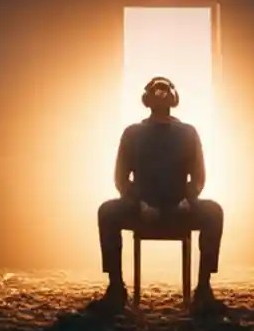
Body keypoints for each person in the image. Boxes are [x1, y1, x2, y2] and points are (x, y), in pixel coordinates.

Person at [96, 76, 224, 312]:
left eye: (165, 90)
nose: (160, 94)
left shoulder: (188, 133)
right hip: (141, 207)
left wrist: (189, 200)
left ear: (173, 98)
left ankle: (204, 288)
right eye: (156, 90)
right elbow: (121, 178)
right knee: (107, 212)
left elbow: (198, 176)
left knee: (214, 212)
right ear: (146, 98)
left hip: (180, 206)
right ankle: (115, 288)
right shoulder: (132, 133)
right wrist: (139, 203)